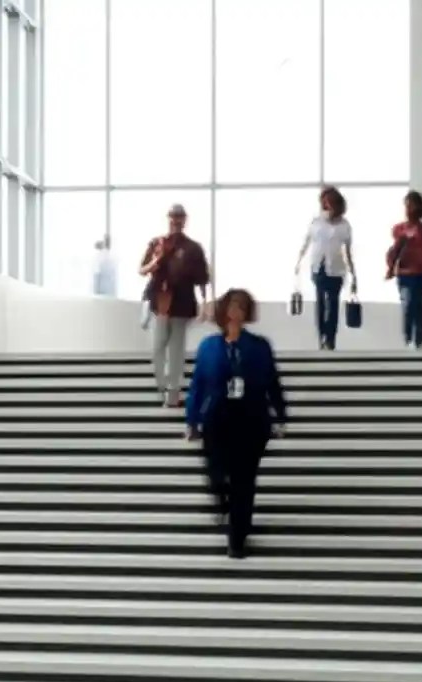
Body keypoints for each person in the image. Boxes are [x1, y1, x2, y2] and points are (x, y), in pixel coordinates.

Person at [185, 289, 287, 559]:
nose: (236, 312)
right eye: (232, 306)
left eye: (241, 307)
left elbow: (272, 381)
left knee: (244, 480)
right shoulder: (209, 346)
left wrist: (280, 415)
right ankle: (222, 503)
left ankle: (237, 538)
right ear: (222, 311)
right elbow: (198, 385)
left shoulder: (259, 346)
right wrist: (192, 419)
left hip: (251, 420)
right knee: (217, 475)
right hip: (218, 419)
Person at [140, 204, 211, 407]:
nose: (176, 221)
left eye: (180, 217)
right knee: (157, 347)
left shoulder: (193, 248)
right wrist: (155, 262)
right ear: (168, 218)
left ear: (184, 220)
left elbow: (202, 278)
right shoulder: (156, 243)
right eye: (173, 217)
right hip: (159, 302)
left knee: (176, 349)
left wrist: (205, 304)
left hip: (182, 302)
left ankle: (172, 391)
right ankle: (162, 387)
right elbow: (141, 269)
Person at [294, 186, 356, 350]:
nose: (326, 204)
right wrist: (299, 262)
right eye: (324, 201)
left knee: (333, 303)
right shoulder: (317, 222)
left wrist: (353, 273)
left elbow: (348, 250)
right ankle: (321, 335)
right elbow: (307, 242)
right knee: (321, 302)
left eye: (329, 201)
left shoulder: (344, 225)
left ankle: (331, 338)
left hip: (336, 268)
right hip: (318, 267)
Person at [385, 190, 422, 349]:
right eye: (407, 206)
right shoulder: (398, 229)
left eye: (412, 206)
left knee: (419, 306)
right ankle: (407, 338)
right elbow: (394, 251)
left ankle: (419, 340)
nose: (408, 210)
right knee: (407, 304)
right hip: (404, 273)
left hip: (420, 273)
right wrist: (390, 266)